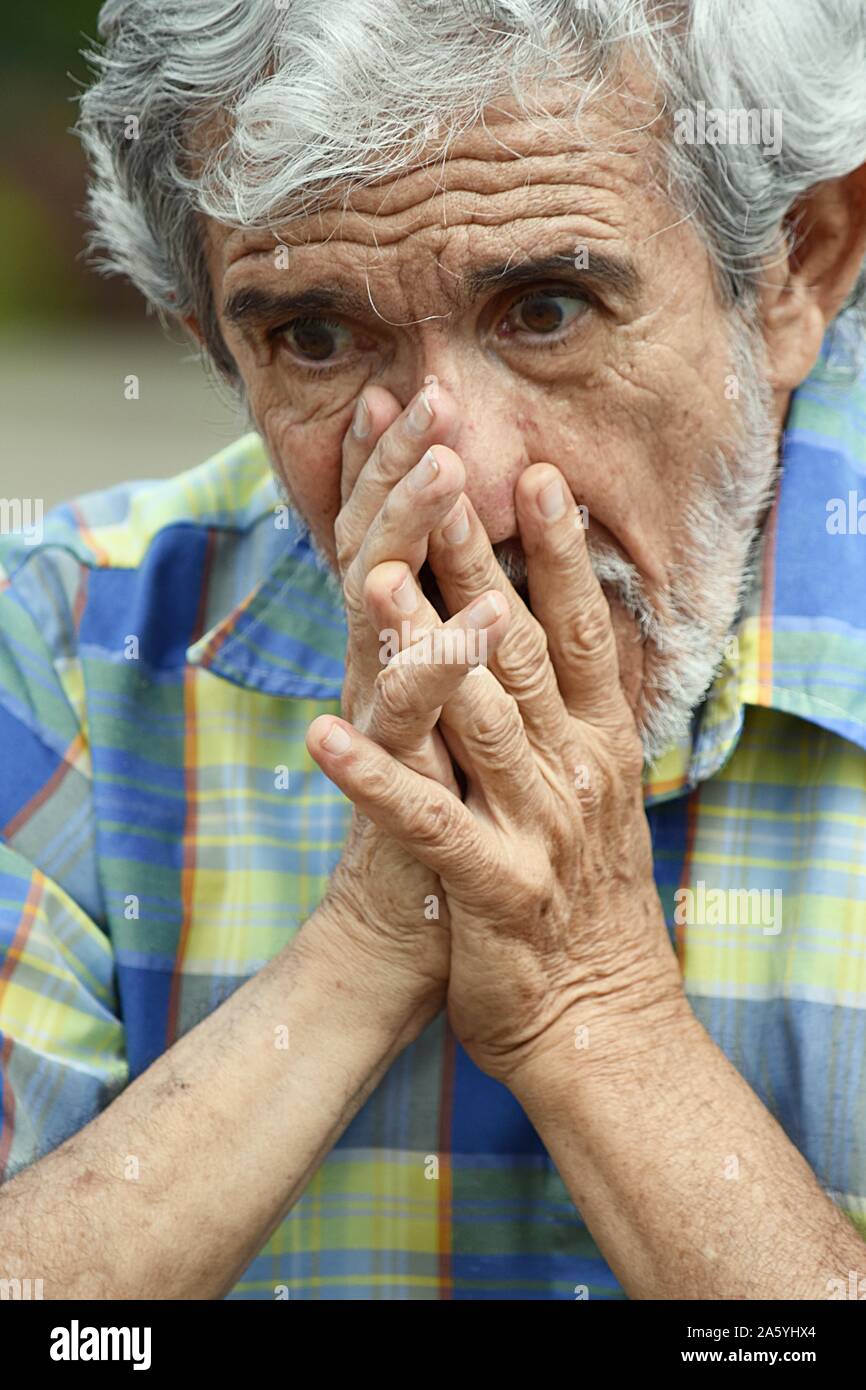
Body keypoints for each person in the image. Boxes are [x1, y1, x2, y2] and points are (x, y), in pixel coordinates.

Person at [1, 0, 865, 1299]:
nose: (460, 481)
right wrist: (357, 951)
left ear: (796, 261)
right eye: (314, 337)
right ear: (212, 344)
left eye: (547, 307)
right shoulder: (60, 646)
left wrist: (597, 1009)